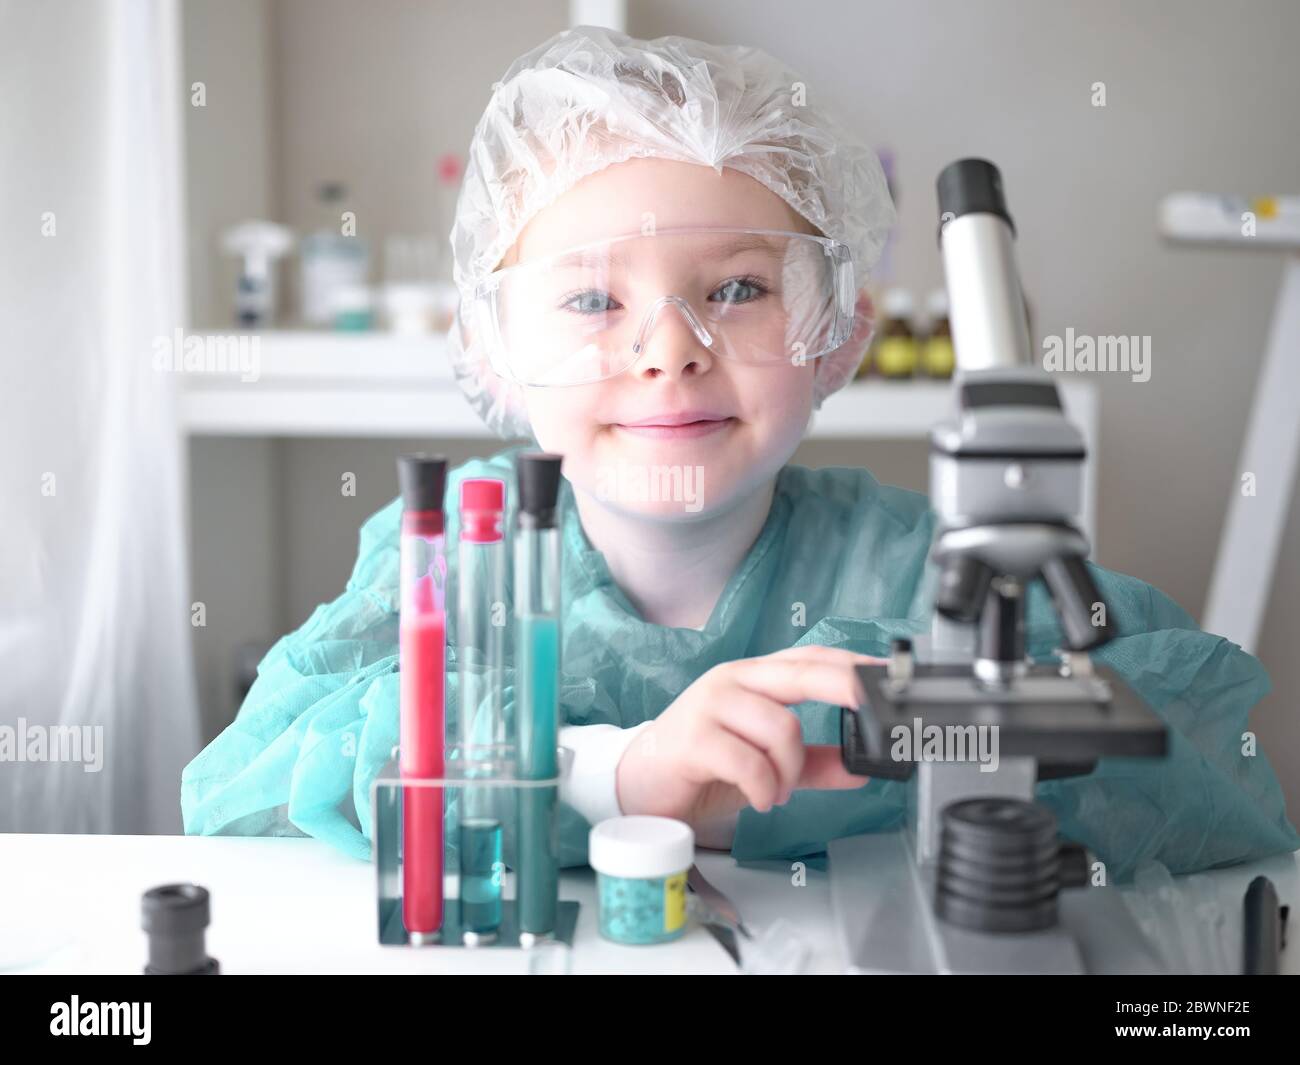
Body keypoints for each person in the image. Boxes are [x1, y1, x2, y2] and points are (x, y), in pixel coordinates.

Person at [182, 25, 1298, 880]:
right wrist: (618, 776)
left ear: (837, 332)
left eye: (736, 290)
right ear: (493, 347)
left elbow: (1204, 760)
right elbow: (249, 787)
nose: (669, 350)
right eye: (588, 297)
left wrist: (838, 744)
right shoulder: (460, 550)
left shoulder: (921, 569)